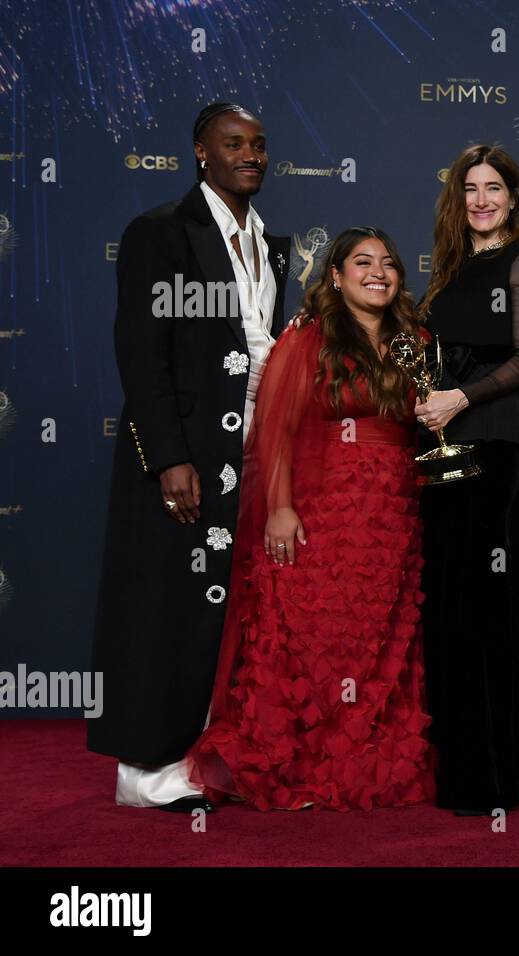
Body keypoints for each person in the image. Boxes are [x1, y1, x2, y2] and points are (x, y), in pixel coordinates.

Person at [188, 228, 436, 811]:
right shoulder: (309, 337)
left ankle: (359, 764)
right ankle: (300, 766)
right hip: (321, 510)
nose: (378, 272)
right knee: (316, 637)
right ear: (335, 275)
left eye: (389, 263)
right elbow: (277, 428)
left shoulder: (415, 339)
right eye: (362, 262)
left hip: (394, 513)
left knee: (378, 642)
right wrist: (279, 505)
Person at [88, 102, 290, 812]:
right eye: (234, 144)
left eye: (260, 145)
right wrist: (169, 457)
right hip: (181, 455)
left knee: (215, 611)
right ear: (200, 153)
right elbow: (142, 356)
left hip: (245, 455)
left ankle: (196, 754)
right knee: (160, 607)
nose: (251, 155)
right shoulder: (161, 234)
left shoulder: (271, 243)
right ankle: (141, 773)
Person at [413, 145, 519, 814]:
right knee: (450, 606)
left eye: (494, 187)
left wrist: (459, 400)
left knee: (481, 605)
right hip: (443, 448)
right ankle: (472, 767)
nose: (481, 199)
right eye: (470, 187)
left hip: (495, 446)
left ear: (514, 196)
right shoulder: (452, 268)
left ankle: (491, 776)